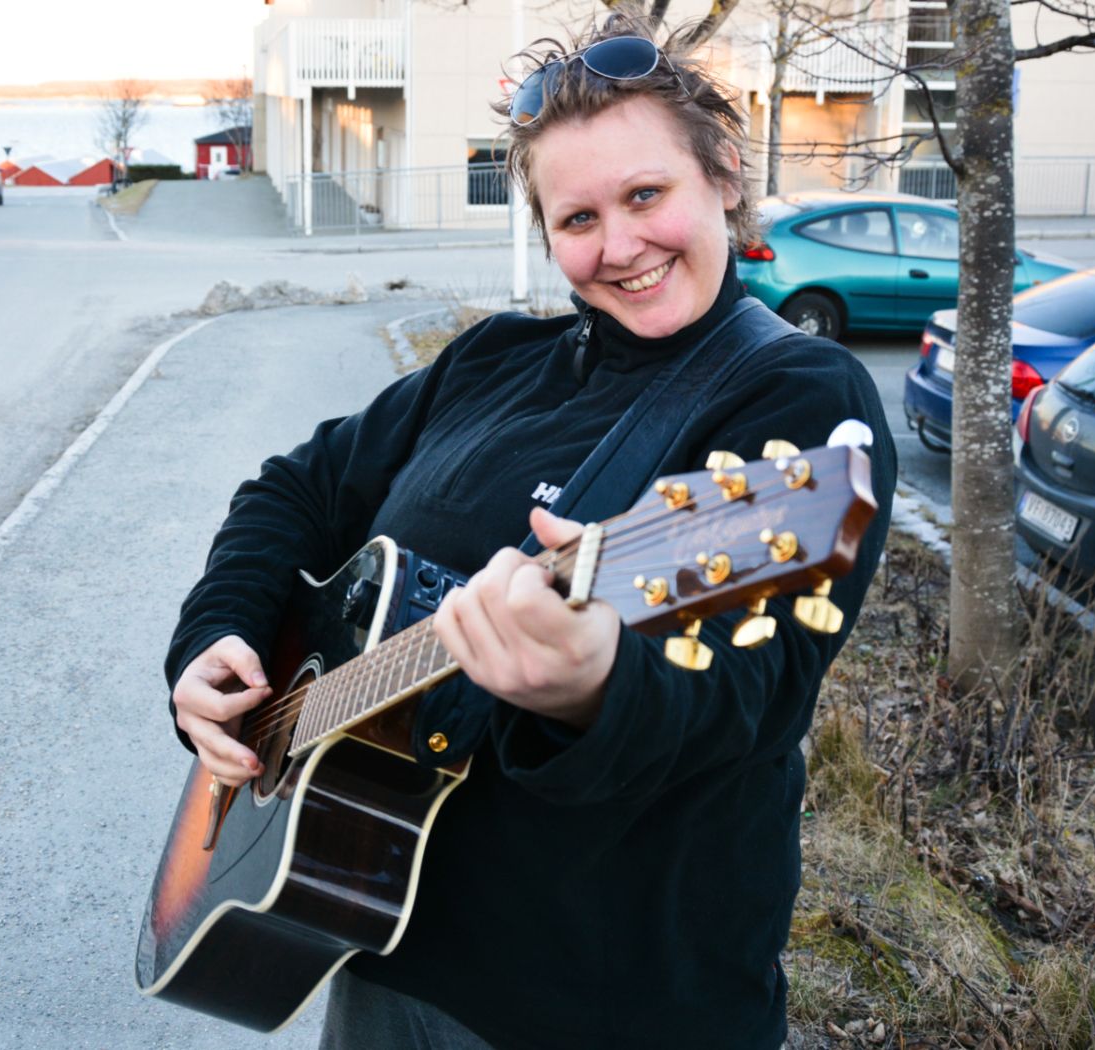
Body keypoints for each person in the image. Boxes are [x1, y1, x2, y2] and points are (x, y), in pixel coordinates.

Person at [165, 17, 896, 1050]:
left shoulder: (796, 402)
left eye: (647, 196)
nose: (621, 246)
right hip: (373, 939)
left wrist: (597, 683)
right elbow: (291, 489)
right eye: (578, 217)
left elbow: (748, 701)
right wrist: (217, 636)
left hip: (610, 999)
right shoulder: (495, 360)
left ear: (725, 176)